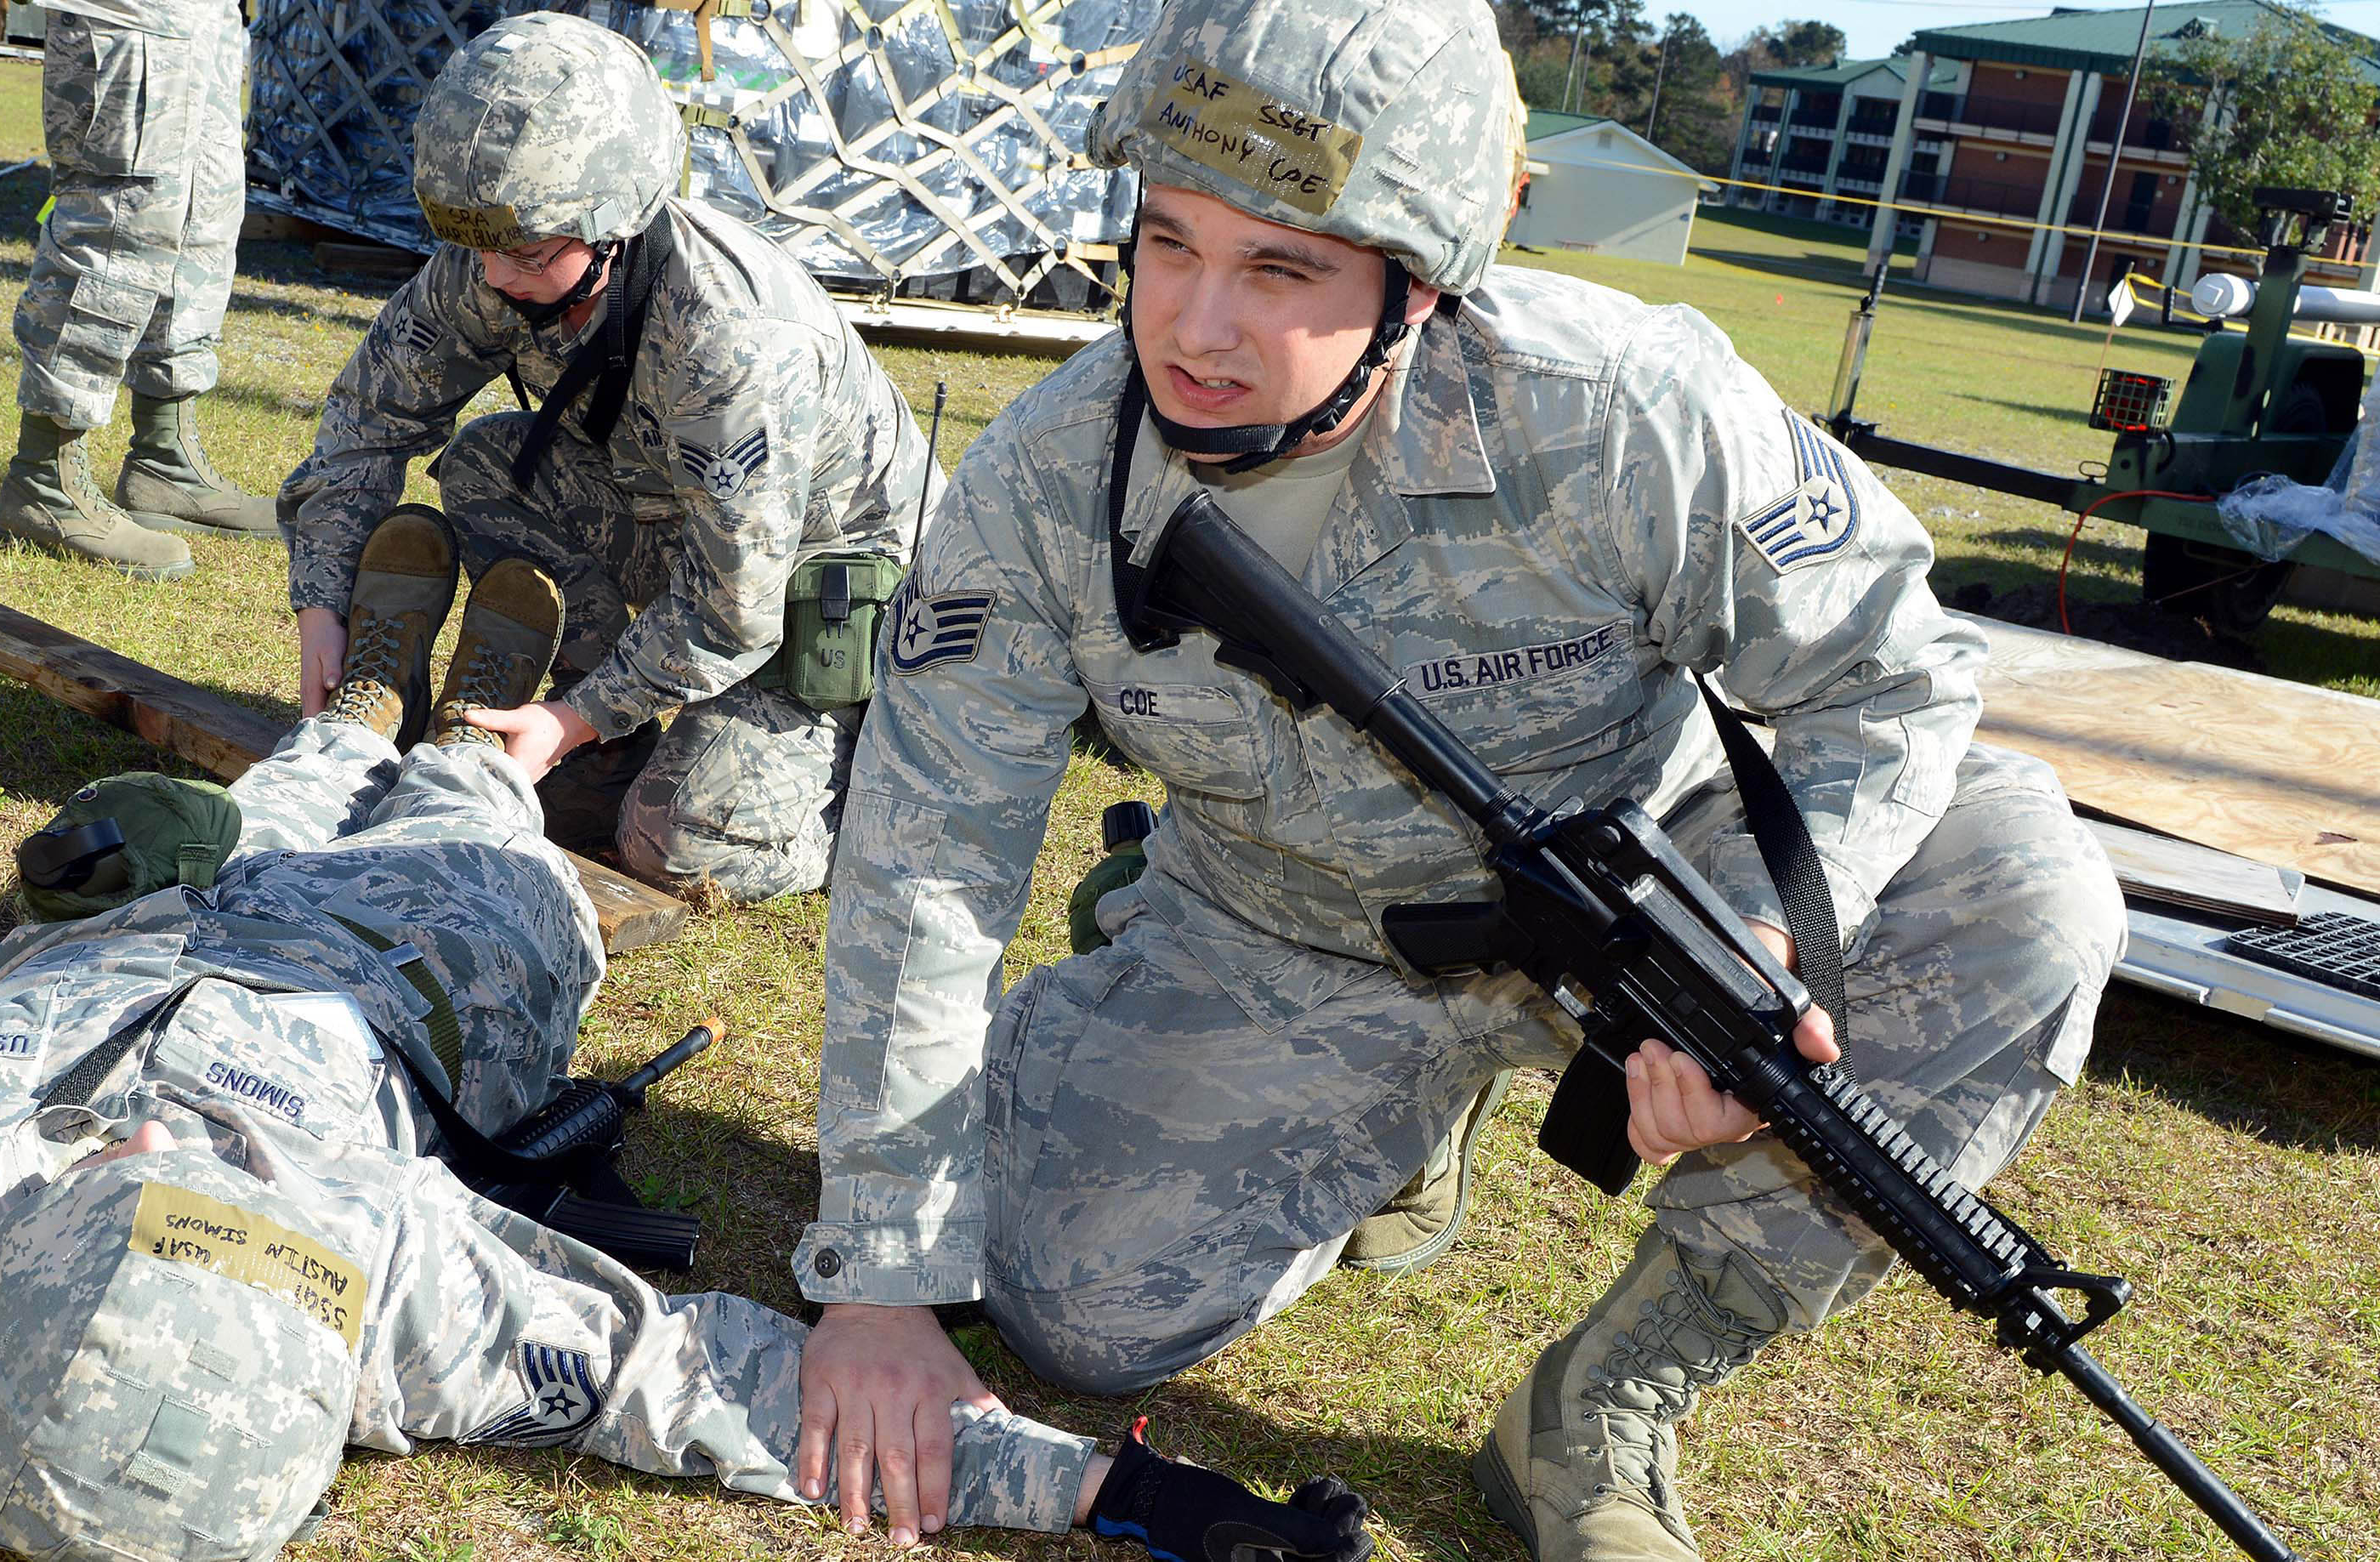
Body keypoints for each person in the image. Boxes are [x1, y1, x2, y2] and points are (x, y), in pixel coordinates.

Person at [790, 2, 2129, 1558]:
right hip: (1290, 932)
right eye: (1167, 245)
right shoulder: (1041, 485)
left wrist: (1758, 938)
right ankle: (1346, 1101)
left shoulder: (1627, 409)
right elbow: (924, 864)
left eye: (1280, 269)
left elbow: (1891, 674)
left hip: (1651, 877)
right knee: (1079, 1314)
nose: (1196, 328)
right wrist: (882, 1272)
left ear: (1414, 288)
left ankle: (1603, 1409)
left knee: (2035, 893)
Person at [0, 508, 1374, 1562]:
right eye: (196, 1192)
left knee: (277, 799)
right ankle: (475, 744)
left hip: (147, 915)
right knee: (494, 860)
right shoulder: (382, 1294)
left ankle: (365, 708)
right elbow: (709, 1384)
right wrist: (1123, 1490)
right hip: (405, 993)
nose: (162, 1140)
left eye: (118, 1181)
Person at [279, 13, 933, 902]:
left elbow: (735, 605)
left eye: (531, 255)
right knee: (485, 469)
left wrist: (570, 717)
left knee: (676, 846)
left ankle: (863, 784)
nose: (497, 278)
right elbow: (369, 414)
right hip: (693, 527)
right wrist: (321, 601)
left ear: (616, 222)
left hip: (831, 600)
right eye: (480, 247)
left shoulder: (731, 341)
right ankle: (608, 743)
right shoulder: (505, 248)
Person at [0, 0, 276, 579]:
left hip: (207, 13)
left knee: (203, 214)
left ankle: (165, 456)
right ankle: (45, 476)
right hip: (127, 13)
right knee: (123, 218)